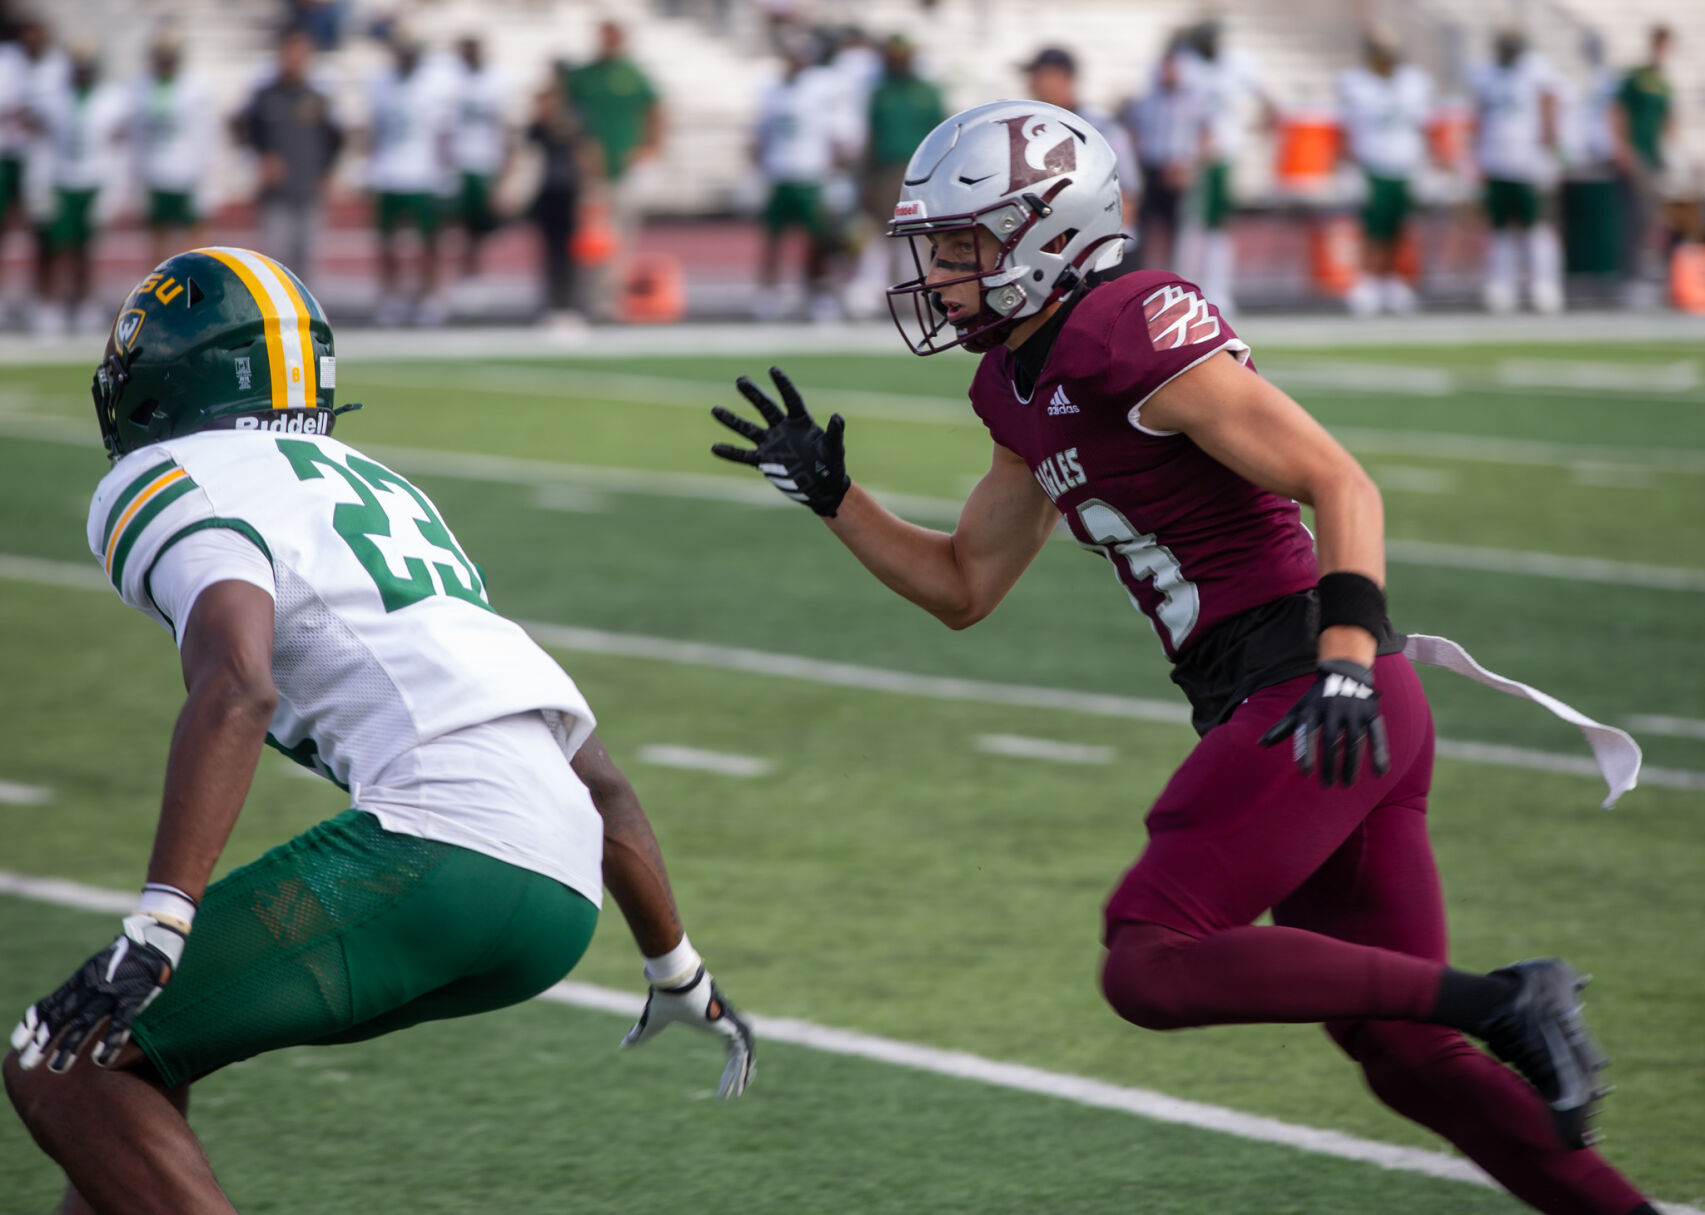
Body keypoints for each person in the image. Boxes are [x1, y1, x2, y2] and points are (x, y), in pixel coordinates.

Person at [711, 100, 1654, 1215]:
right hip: (1302, 702)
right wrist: (834, 498)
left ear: (1046, 234)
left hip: (1317, 688)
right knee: (1401, 1054)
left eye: (962, 246)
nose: (940, 275)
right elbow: (964, 586)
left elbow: (1338, 481)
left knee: (1147, 960)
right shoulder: (1012, 384)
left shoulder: (1128, 328)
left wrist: (1345, 657)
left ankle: (1506, 1002)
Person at [5, 246, 754, 1214]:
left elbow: (238, 685)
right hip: (560, 899)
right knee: (144, 1054)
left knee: (60, 1061)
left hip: (443, 854)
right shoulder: (380, 485)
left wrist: (158, 922)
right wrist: (674, 969)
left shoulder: (165, 474)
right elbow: (597, 780)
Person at [1175, 20, 1275, 313]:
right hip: (1189, 156)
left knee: (1216, 225)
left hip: (1223, 154)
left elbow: (1268, 102)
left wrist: (1256, 129)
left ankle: (1215, 288)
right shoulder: (1185, 64)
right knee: (1190, 223)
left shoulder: (1237, 64)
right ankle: (1186, 285)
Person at [565, 21, 662, 322]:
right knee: (590, 241)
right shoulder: (584, 76)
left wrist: (650, 148)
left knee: (620, 240)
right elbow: (567, 115)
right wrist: (579, 151)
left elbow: (655, 110)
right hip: (592, 173)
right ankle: (589, 299)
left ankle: (610, 301)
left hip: (623, 169)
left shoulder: (632, 74)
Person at [233, 29, 343, 287]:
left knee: (307, 262)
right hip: (277, 194)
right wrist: (259, 159)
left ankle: (306, 320)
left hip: (308, 190)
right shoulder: (265, 96)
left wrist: (327, 173)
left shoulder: (317, 99)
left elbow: (335, 141)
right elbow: (242, 129)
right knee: (274, 262)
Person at [1335, 32, 1433, 316]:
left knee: (1398, 228)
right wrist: (1346, 166)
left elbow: (1422, 126)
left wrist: (1429, 163)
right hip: (1372, 165)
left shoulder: (1414, 83)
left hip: (1404, 165)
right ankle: (1366, 281)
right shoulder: (1355, 83)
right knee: (1372, 229)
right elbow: (1346, 129)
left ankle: (1390, 280)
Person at [1470, 28, 1567, 314]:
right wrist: (1477, 152)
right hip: (1496, 159)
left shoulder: (1536, 70)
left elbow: (1549, 105)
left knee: (1534, 224)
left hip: (1527, 159)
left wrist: (1549, 148)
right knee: (1499, 226)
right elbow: (1482, 113)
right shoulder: (1486, 72)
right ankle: (1502, 285)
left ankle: (1544, 284)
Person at [751, 33, 846, 322]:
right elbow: (758, 135)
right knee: (772, 238)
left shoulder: (821, 88)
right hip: (779, 174)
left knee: (817, 241)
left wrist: (836, 175)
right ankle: (769, 294)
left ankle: (819, 294)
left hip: (810, 175)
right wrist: (754, 171)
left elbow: (837, 136)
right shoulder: (770, 90)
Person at [32, 45, 126, 334]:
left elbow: (116, 149)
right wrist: (40, 183)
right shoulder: (56, 99)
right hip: (62, 180)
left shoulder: (110, 101)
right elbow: (43, 144)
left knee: (86, 251)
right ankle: (52, 305)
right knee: (58, 248)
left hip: (92, 180)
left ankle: (84, 304)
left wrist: (112, 189)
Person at [366, 30, 455, 326]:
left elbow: (442, 133)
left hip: (423, 173)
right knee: (386, 242)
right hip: (388, 172)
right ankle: (391, 298)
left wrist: (444, 172)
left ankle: (429, 296)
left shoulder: (434, 85)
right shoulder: (380, 83)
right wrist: (369, 167)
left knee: (428, 242)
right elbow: (374, 129)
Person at [851, 33, 945, 314]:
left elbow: (941, 136)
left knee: (921, 235)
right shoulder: (881, 93)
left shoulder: (928, 92)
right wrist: (864, 180)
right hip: (886, 172)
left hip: (920, 173)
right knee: (885, 234)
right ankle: (886, 294)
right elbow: (871, 137)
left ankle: (922, 294)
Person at [1019, 46, 1133, 237]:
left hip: (1097, 246)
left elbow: (1126, 199)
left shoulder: (1099, 128)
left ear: (1063, 77)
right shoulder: (1031, 129)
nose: (1032, 84)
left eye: (1039, 76)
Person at [132, 32, 215, 266]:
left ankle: (196, 286)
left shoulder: (195, 88)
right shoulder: (141, 87)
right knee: (158, 237)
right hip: (156, 173)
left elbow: (206, 133)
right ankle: (160, 287)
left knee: (196, 238)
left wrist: (204, 172)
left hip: (187, 173)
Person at [1122, 40, 1200, 271]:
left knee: (1175, 230)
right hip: (1149, 167)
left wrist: (1189, 163)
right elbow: (1132, 132)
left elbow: (1204, 136)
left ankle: (1174, 275)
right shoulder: (1146, 102)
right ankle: (1142, 273)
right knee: (1143, 228)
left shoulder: (1191, 102)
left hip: (1177, 169)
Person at [1613, 25, 1673, 304]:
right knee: (1635, 218)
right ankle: (1630, 279)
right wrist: (1624, 147)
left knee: (1652, 219)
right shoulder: (1636, 78)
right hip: (1637, 154)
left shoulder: (1664, 82)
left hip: (1655, 156)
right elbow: (1619, 111)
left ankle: (1646, 276)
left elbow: (1668, 120)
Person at [527, 72, 593, 327]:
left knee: (570, 252)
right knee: (549, 251)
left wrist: (588, 188)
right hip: (545, 191)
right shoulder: (538, 125)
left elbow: (583, 153)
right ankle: (551, 302)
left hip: (568, 191)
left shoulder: (571, 120)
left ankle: (570, 303)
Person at [450, 34, 511, 283]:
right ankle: (463, 272)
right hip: (457, 160)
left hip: (484, 159)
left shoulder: (496, 81)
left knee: (480, 223)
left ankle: (475, 272)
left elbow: (502, 125)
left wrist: (503, 163)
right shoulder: (448, 80)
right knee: (457, 222)